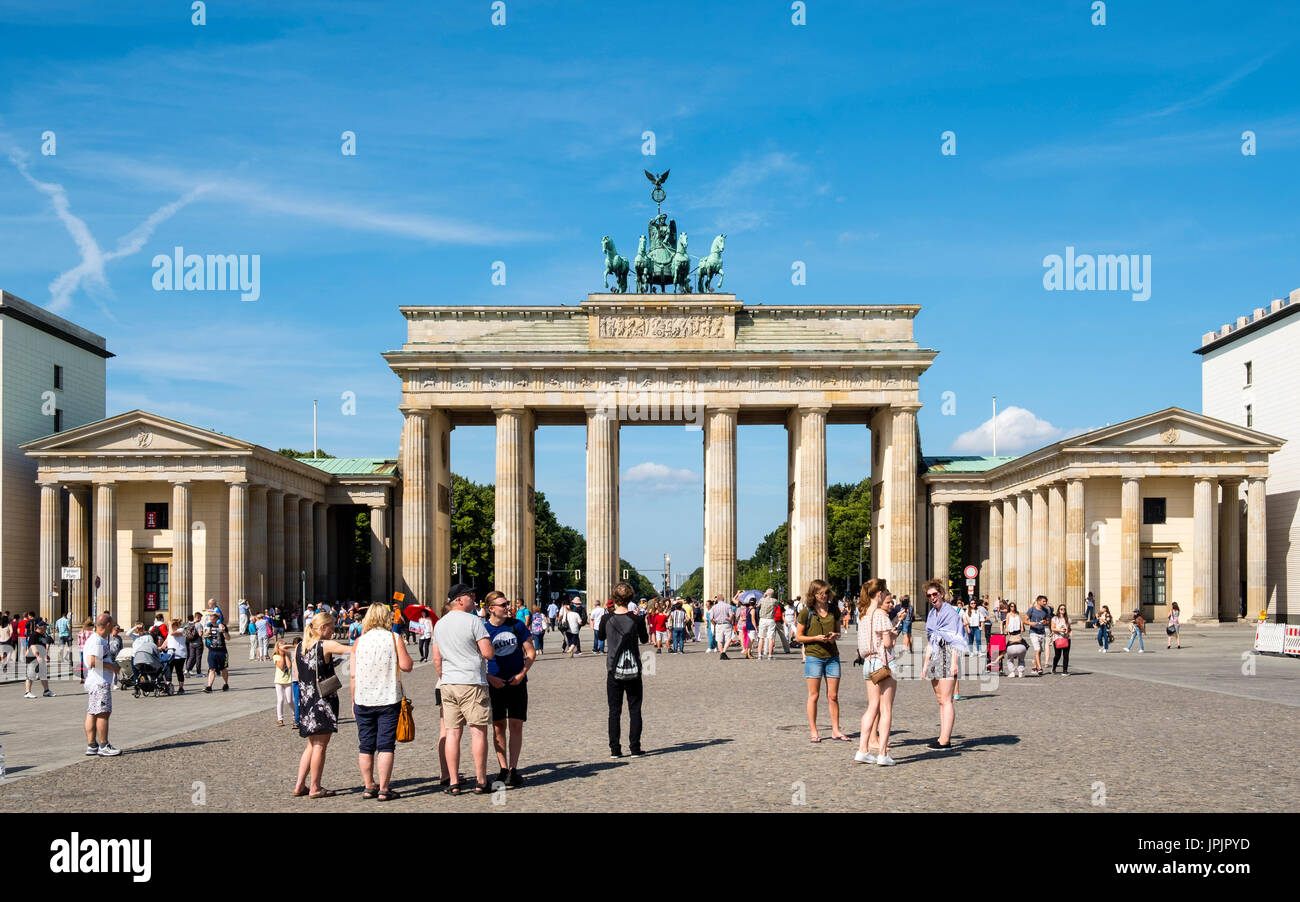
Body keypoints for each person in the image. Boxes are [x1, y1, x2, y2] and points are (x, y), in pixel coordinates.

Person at [432, 583, 495, 795]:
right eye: (470, 595)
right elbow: (487, 653)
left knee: (452, 733)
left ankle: (454, 782)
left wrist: (445, 677)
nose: (474, 598)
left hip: (449, 683)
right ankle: (481, 780)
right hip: (471, 681)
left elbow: (437, 659)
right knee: (478, 732)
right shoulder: (474, 621)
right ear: (459, 599)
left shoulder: (440, 624)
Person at [351, 602, 413, 801]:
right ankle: (384, 789)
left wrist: (353, 700)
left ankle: (369, 786)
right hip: (388, 699)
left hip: (363, 699)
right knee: (386, 745)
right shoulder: (394, 638)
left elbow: (352, 675)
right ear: (387, 618)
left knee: (365, 745)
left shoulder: (359, 641)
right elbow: (406, 666)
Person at [293, 612, 353, 798]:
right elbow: (350, 649)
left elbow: (297, 675)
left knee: (311, 745)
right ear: (322, 628)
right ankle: (315, 787)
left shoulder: (299, 647)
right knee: (320, 746)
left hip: (306, 701)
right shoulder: (325, 645)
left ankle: (299, 785)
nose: (334, 631)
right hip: (323, 701)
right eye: (332, 627)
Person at [483, 590, 535, 788]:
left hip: (517, 682)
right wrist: (489, 678)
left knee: (516, 725)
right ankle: (502, 768)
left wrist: (522, 673)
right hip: (494, 683)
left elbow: (530, 652)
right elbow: (476, 661)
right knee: (498, 727)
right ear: (491, 609)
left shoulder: (517, 625)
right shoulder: (483, 629)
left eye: (508, 604)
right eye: (503, 605)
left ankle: (513, 769)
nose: (507, 607)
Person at [597, 580, 649, 758]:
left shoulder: (606, 618)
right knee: (635, 709)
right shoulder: (636, 619)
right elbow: (644, 640)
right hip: (633, 668)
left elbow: (601, 637)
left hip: (613, 668)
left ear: (614, 598)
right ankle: (635, 748)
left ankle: (615, 749)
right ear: (631, 597)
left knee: (614, 711)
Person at [796, 579, 847, 742]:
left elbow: (838, 631)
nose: (824, 596)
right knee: (814, 695)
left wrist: (834, 636)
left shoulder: (834, 610)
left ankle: (836, 730)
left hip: (832, 656)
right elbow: (798, 636)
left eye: (826, 592)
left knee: (833, 696)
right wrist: (815, 638)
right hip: (814, 656)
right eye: (820, 593)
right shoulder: (807, 612)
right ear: (813, 594)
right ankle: (814, 731)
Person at [855, 578, 898, 766]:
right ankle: (882, 754)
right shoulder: (881, 615)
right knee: (886, 708)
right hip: (884, 663)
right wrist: (894, 634)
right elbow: (887, 643)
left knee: (872, 707)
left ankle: (862, 749)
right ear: (879, 594)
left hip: (868, 663)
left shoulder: (863, 615)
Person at [922, 579, 966, 751]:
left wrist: (954, 662)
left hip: (948, 653)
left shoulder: (950, 613)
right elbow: (930, 640)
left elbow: (956, 638)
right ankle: (942, 736)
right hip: (935, 654)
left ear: (941, 593)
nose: (932, 597)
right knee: (940, 699)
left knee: (947, 699)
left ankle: (945, 740)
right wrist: (925, 665)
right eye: (929, 596)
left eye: (935, 594)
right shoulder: (932, 614)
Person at [82, 613, 122, 757]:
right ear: (108, 625)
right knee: (103, 713)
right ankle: (104, 745)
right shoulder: (98, 641)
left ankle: (92, 745)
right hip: (100, 682)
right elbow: (93, 662)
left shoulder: (92, 639)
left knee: (92, 712)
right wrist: (112, 668)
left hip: (94, 682)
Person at [23, 620, 54, 698]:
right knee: (30, 675)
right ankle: (27, 692)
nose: (46, 628)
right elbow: (33, 646)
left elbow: (43, 647)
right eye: (45, 627)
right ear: (40, 627)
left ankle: (46, 691)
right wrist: (37, 656)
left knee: (43, 674)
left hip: (40, 658)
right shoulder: (34, 635)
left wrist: (46, 655)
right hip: (32, 658)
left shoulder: (43, 636)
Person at [204, 613, 231, 692]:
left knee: (223, 669)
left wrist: (223, 631)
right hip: (212, 651)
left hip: (222, 651)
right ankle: (209, 687)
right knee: (212, 669)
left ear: (216, 618)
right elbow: (205, 636)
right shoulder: (209, 626)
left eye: (212, 617)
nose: (211, 619)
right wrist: (207, 633)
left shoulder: (223, 626)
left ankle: (225, 684)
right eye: (210, 617)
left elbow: (228, 638)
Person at [1027, 596, 1052, 675]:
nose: (1045, 603)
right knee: (1037, 650)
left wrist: (1046, 622)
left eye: (1046, 601)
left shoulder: (1045, 610)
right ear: (1038, 601)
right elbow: (1025, 620)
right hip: (1033, 632)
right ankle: (1040, 668)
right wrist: (1031, 623)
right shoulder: (1032, 609)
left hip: (1042, 632)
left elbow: (1048, 621)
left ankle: (1034, 667)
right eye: (1044, 601)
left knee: (1039, 651)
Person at [273, 639, 294, 726]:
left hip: (288, 681)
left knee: (289, 700)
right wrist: (281, 655)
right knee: (280, 699)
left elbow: (289, 666)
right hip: (279, 681)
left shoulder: (289, 656)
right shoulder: (276, 656)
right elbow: (281, 666)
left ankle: (296, 714)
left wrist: (285, 655)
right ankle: (280, 719)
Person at [1004, 602, 1028, 677]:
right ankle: (1013, 672)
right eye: (1011, 606)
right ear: (1009, 607)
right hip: (1011, 631)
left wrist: (1022, 628)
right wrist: (1007, 630)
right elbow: (1007, 622)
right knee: (1010, 646)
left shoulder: (1018, 614)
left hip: (1018, 631)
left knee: (1020, 643)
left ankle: (1020, 672)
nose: (1012, 607)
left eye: (1014, 606)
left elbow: (1021, 621)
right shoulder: (1008, 614)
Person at [164, 618, 187, 693]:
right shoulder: (170, 632)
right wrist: (161, 647)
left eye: (171, 625)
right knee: (168, 671)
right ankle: (168, 686)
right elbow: (166, 641)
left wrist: (170, 624)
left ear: (176, 626)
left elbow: (172, 633)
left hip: (179, 654)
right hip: (170, 654)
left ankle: (181, 688)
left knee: (179, 671)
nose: (169, 627)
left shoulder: (181, 630)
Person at [710, 594, 734, 660]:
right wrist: (730, 621)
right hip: (727, 624)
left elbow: (711, 618)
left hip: (718, 624)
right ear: (723, 599)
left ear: (717, 599)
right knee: (729, 639)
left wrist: (714, 624)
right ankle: (724, 652)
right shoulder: (728, 606)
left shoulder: (714, 607)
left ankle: (721, 653)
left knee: (719, 640)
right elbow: (731, 615)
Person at [1050, 604, 1072, 675]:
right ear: (1058, 610)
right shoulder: (1055, 618)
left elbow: (1069, 628)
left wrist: (1070, 631)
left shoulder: (1068, 619)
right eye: (1061, 609)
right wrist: (1060, 630)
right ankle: (1054, 668)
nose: (1063, 610)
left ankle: (1065, 671)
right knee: (1057, 655)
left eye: (1064, 609)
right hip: (1057, 638)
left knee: (1066, 655)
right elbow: (1052, 628)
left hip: (1066, 638)